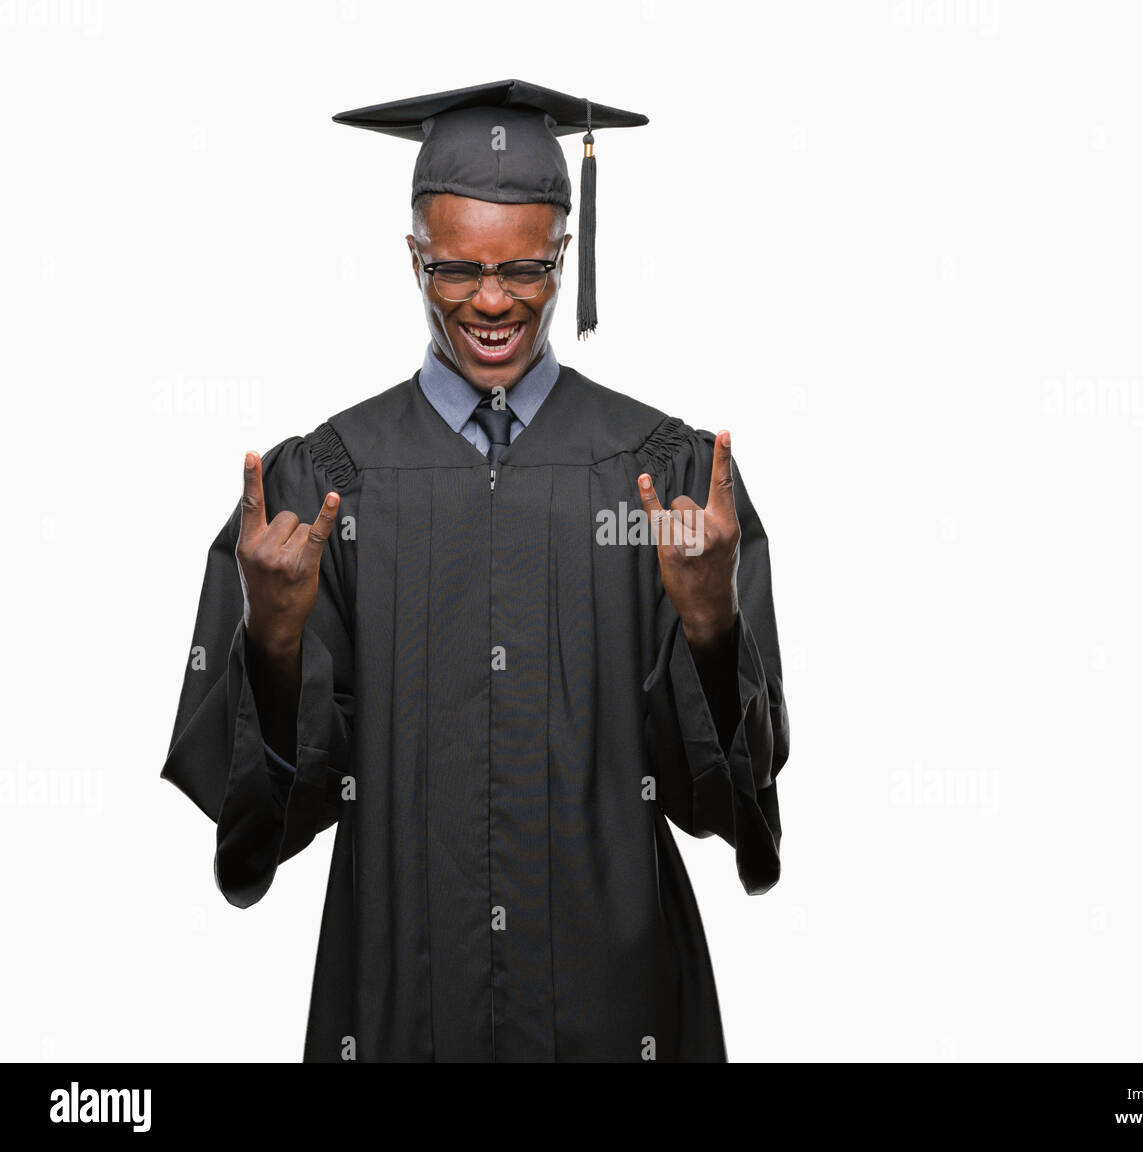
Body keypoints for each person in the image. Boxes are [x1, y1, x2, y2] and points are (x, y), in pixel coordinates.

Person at [161, 79, 790, 1062]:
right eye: (456, 267)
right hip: (403, 994)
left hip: (616, 1000)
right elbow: (262, 829)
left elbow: (729, 813)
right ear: (413, 256)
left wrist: (712, 627)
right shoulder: (324, 483)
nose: (491, 300)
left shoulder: (668, 478)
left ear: (564, 257)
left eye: (525, 268)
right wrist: (274, 645)